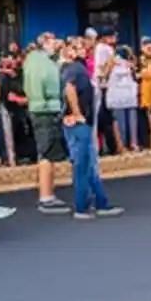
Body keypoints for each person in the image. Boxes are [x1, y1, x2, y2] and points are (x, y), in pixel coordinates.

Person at [59, 44, 124, 221]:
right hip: (78, 123)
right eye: (76, 47)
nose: (82, 49)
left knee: (89, 164)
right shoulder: (73, 68)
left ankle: (100, 202)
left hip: (84, 123)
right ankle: (82, 207)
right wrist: (77, 113)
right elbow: (69, 89)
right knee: (82, 165)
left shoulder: (81, 69)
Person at [23, 33, 70, 214]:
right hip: (43, 111)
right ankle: (45, 197)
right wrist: (43, 106)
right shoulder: (36, 62)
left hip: (48, 109)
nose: (56, 43)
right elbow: (36, 87)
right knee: (45, 152)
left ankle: (49, 194)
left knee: (49, 153)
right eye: (52, 41)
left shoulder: (47, 60)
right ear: (44, 43)